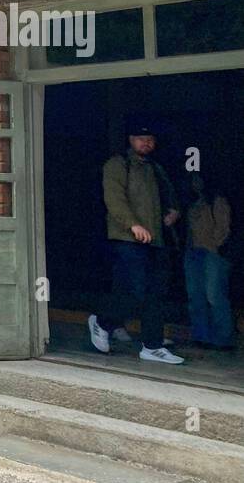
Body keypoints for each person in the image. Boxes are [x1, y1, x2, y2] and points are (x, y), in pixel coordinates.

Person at [88, 119, 185, 364]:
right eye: (141, 139)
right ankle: (102, 321)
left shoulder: (155, 167)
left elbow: (169, 195)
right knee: (136, 291)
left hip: (156, 240)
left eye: (150, 139)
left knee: (155, 293)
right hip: (128, 238)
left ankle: (152, 346)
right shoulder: (118, 164)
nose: (146, 143)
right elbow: (114, 199)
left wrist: (174, 212)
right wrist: (133, 224)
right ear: (131, 140)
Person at [183, 172, 233, 350]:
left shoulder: (216, 200)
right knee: (195, 296)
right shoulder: (192, 203)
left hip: (212, 253)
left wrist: (214, 245)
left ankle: (223, 338)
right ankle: (201, 336)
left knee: (214, 295)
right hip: (193, 252)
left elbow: (223, 228)